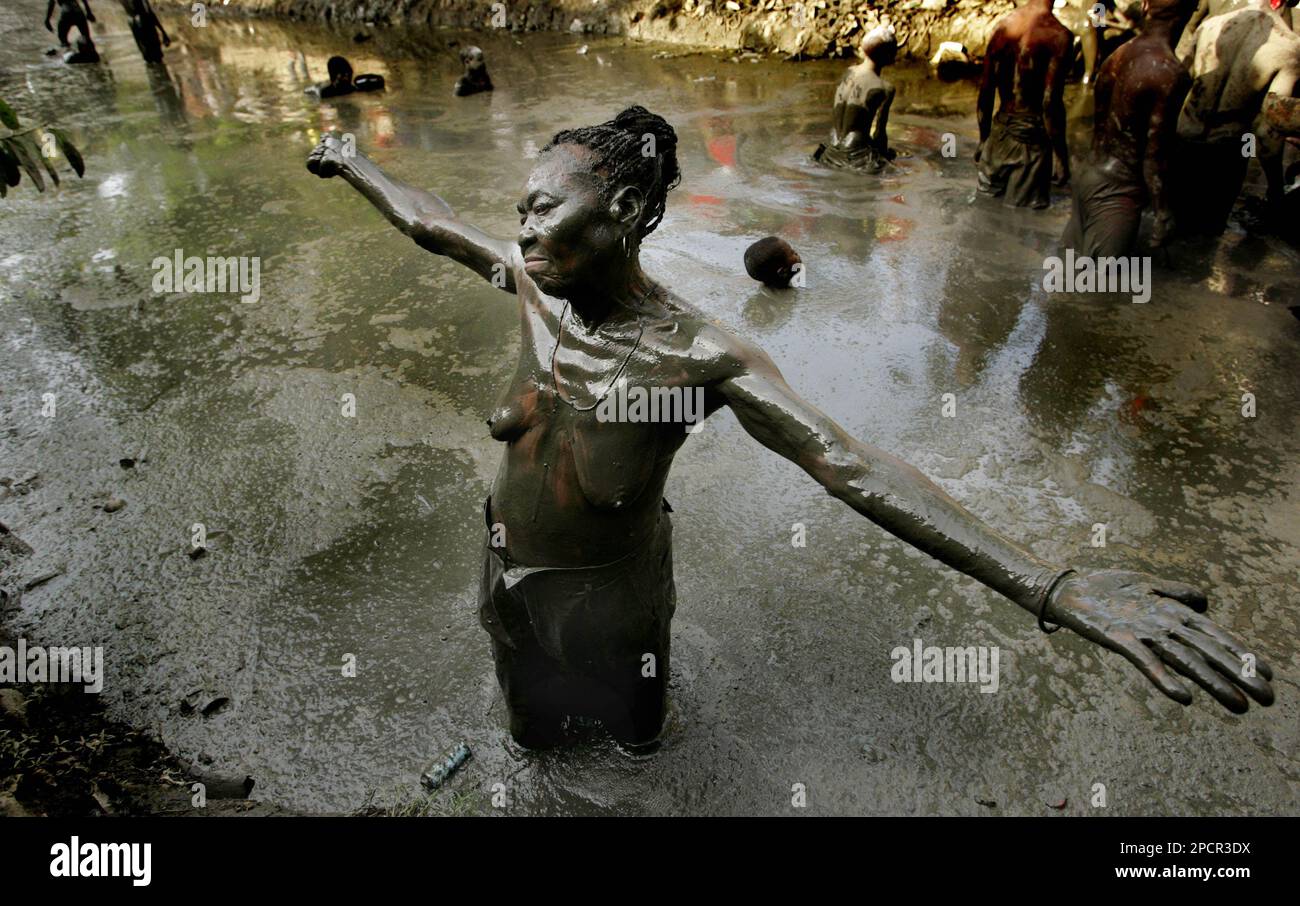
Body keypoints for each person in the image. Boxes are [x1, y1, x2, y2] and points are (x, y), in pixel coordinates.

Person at [306, 106, 1274, 748]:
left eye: (544, 209)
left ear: (629, 211)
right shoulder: (530, 289)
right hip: (513, 576)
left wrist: (1049, 583)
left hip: (620, 600)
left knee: (643, 749)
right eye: (519, 210)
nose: (520, 230)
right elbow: (429, 220)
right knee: (530, 745)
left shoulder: (700, 357)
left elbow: (849, 465)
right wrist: (353, 161)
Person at [1063, 0, 1198, 257]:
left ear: (1145, 5)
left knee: (1067, 272)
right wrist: (1163, 212)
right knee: (1101, 291)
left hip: (1087, 174)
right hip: (1117, 191)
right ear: (1191, 12)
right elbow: (1155, 153)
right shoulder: (1171, 72)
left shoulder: (1120, 52)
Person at [1175, 0, 1300, 233]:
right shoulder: (1289, 47)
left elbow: (1176, 88)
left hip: (1182, 145)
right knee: (1205, 241)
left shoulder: (1211, 26)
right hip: (1224, 157)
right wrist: (1275, 190)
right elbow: (1266, 135)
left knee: (1169, 238)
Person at [977, 0, 1075, 208]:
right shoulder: (1059, 36)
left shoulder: (1004, 26)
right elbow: (1050, 102)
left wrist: (983, 139)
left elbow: (986, 89)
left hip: (997, 137)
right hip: (1031, 141)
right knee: (1020, 221)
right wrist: (1061, 157)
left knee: (983, 207)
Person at [813, 25, 898, 172]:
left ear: (863, 51)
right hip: (859, 160)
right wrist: (885, 159)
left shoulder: (848, 72)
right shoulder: (885, 88)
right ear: (889, 56)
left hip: (828, 155)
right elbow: (879, 134)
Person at [306, 56, 384, 99]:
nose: (347, 78)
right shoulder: (323, 92)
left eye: (349, 74)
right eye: (344, 75)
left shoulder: (355, 88)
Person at [121, 0, 170, 64]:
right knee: (152, 59)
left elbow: (150, 13)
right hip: (144, 31)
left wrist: (163, 32)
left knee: (156, 59)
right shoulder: (132, 7)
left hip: (148, 30)